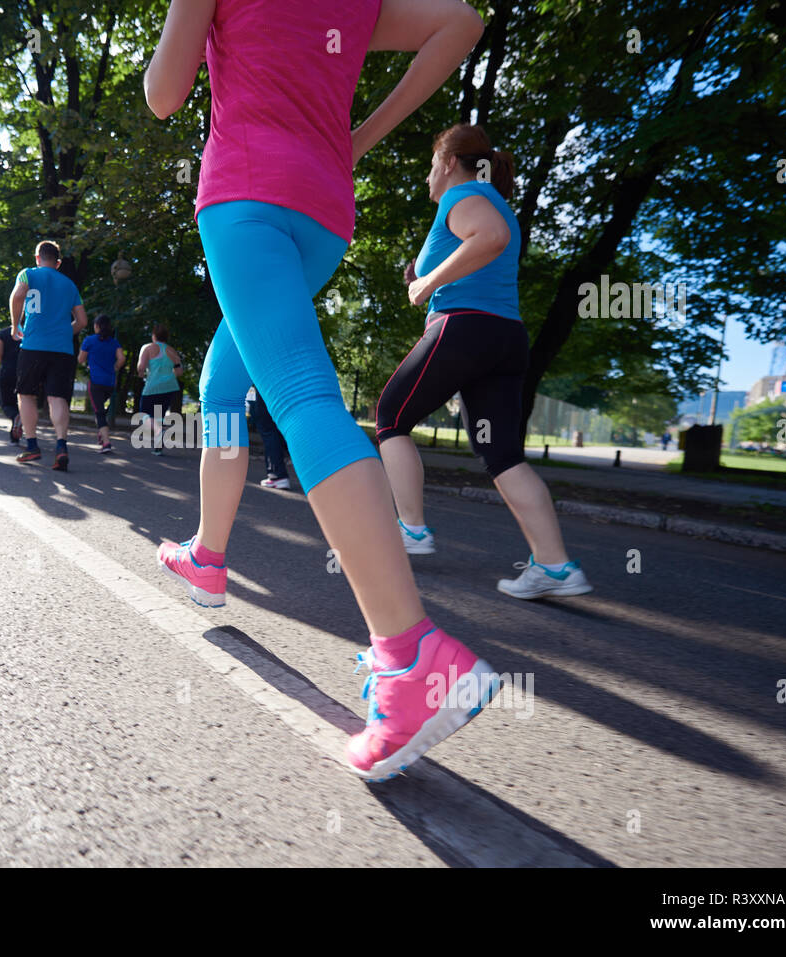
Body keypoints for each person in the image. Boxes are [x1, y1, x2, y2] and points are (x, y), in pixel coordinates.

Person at [146, 0, 491, 781]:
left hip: (246, 195)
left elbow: (164, 93)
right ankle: (207, 553)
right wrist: (356, 136)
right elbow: (463, 23)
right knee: (224, 380)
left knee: (302, 396)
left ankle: (412, 657)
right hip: (323, 213)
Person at [377, 123, 592, 599]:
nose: (429, 177)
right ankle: (555, 567)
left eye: (432, 165)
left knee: (390, 417)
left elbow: (488, 237)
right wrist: (427, 274)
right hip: (504, 337)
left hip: (465, 327)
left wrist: (426, 283)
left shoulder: (466, 194)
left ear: (450, 162)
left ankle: (411, 530)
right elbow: (482, 245)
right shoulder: (491, 200)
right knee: (503, 456)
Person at [10, 241, 89, 470]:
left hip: (33, 345)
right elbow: (82, 321)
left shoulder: (28, 274)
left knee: (26, 395)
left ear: (37, 258)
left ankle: (32, 446)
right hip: (62, 350)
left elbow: (17, 297)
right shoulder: (70, 285)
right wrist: (65, 331)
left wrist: (15, 326)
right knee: (57, 398)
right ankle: (61, 446)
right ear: (58, 262)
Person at [79, 313, 126, 454]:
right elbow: (122, 358)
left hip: (95, 382)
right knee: (99, 410)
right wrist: (115, 367)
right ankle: (102, 432)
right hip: (110, 383)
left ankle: (106, 442)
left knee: (99, 412)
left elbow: (80, 359)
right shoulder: (114, 342)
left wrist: (89, 363)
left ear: (97, 326)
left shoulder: (89, 341)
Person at [136, 324, 182, 456]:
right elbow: (179, 371)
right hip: (170, 387)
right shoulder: (172, 351)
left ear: (153, 335)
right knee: (159, 416)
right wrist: (168, 376)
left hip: (153, 386)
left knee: (144, 414)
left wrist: (140, 374)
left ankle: (158, 431)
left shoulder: (147, 348)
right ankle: (158, 447)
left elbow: (141, 367)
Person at [247, 387, 292, 489]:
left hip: (264, 385)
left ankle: (277, 475)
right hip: (279, 385)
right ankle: (278, 473)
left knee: (268, 429)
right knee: (276, 428)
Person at [0, 320, 23, 444]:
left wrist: (4, 361)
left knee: (6, 404)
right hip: (25, 371)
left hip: (7, 370)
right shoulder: (29, 332)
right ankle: (15, 437)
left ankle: (15, 418)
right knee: (22, 403)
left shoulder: (4, 333)